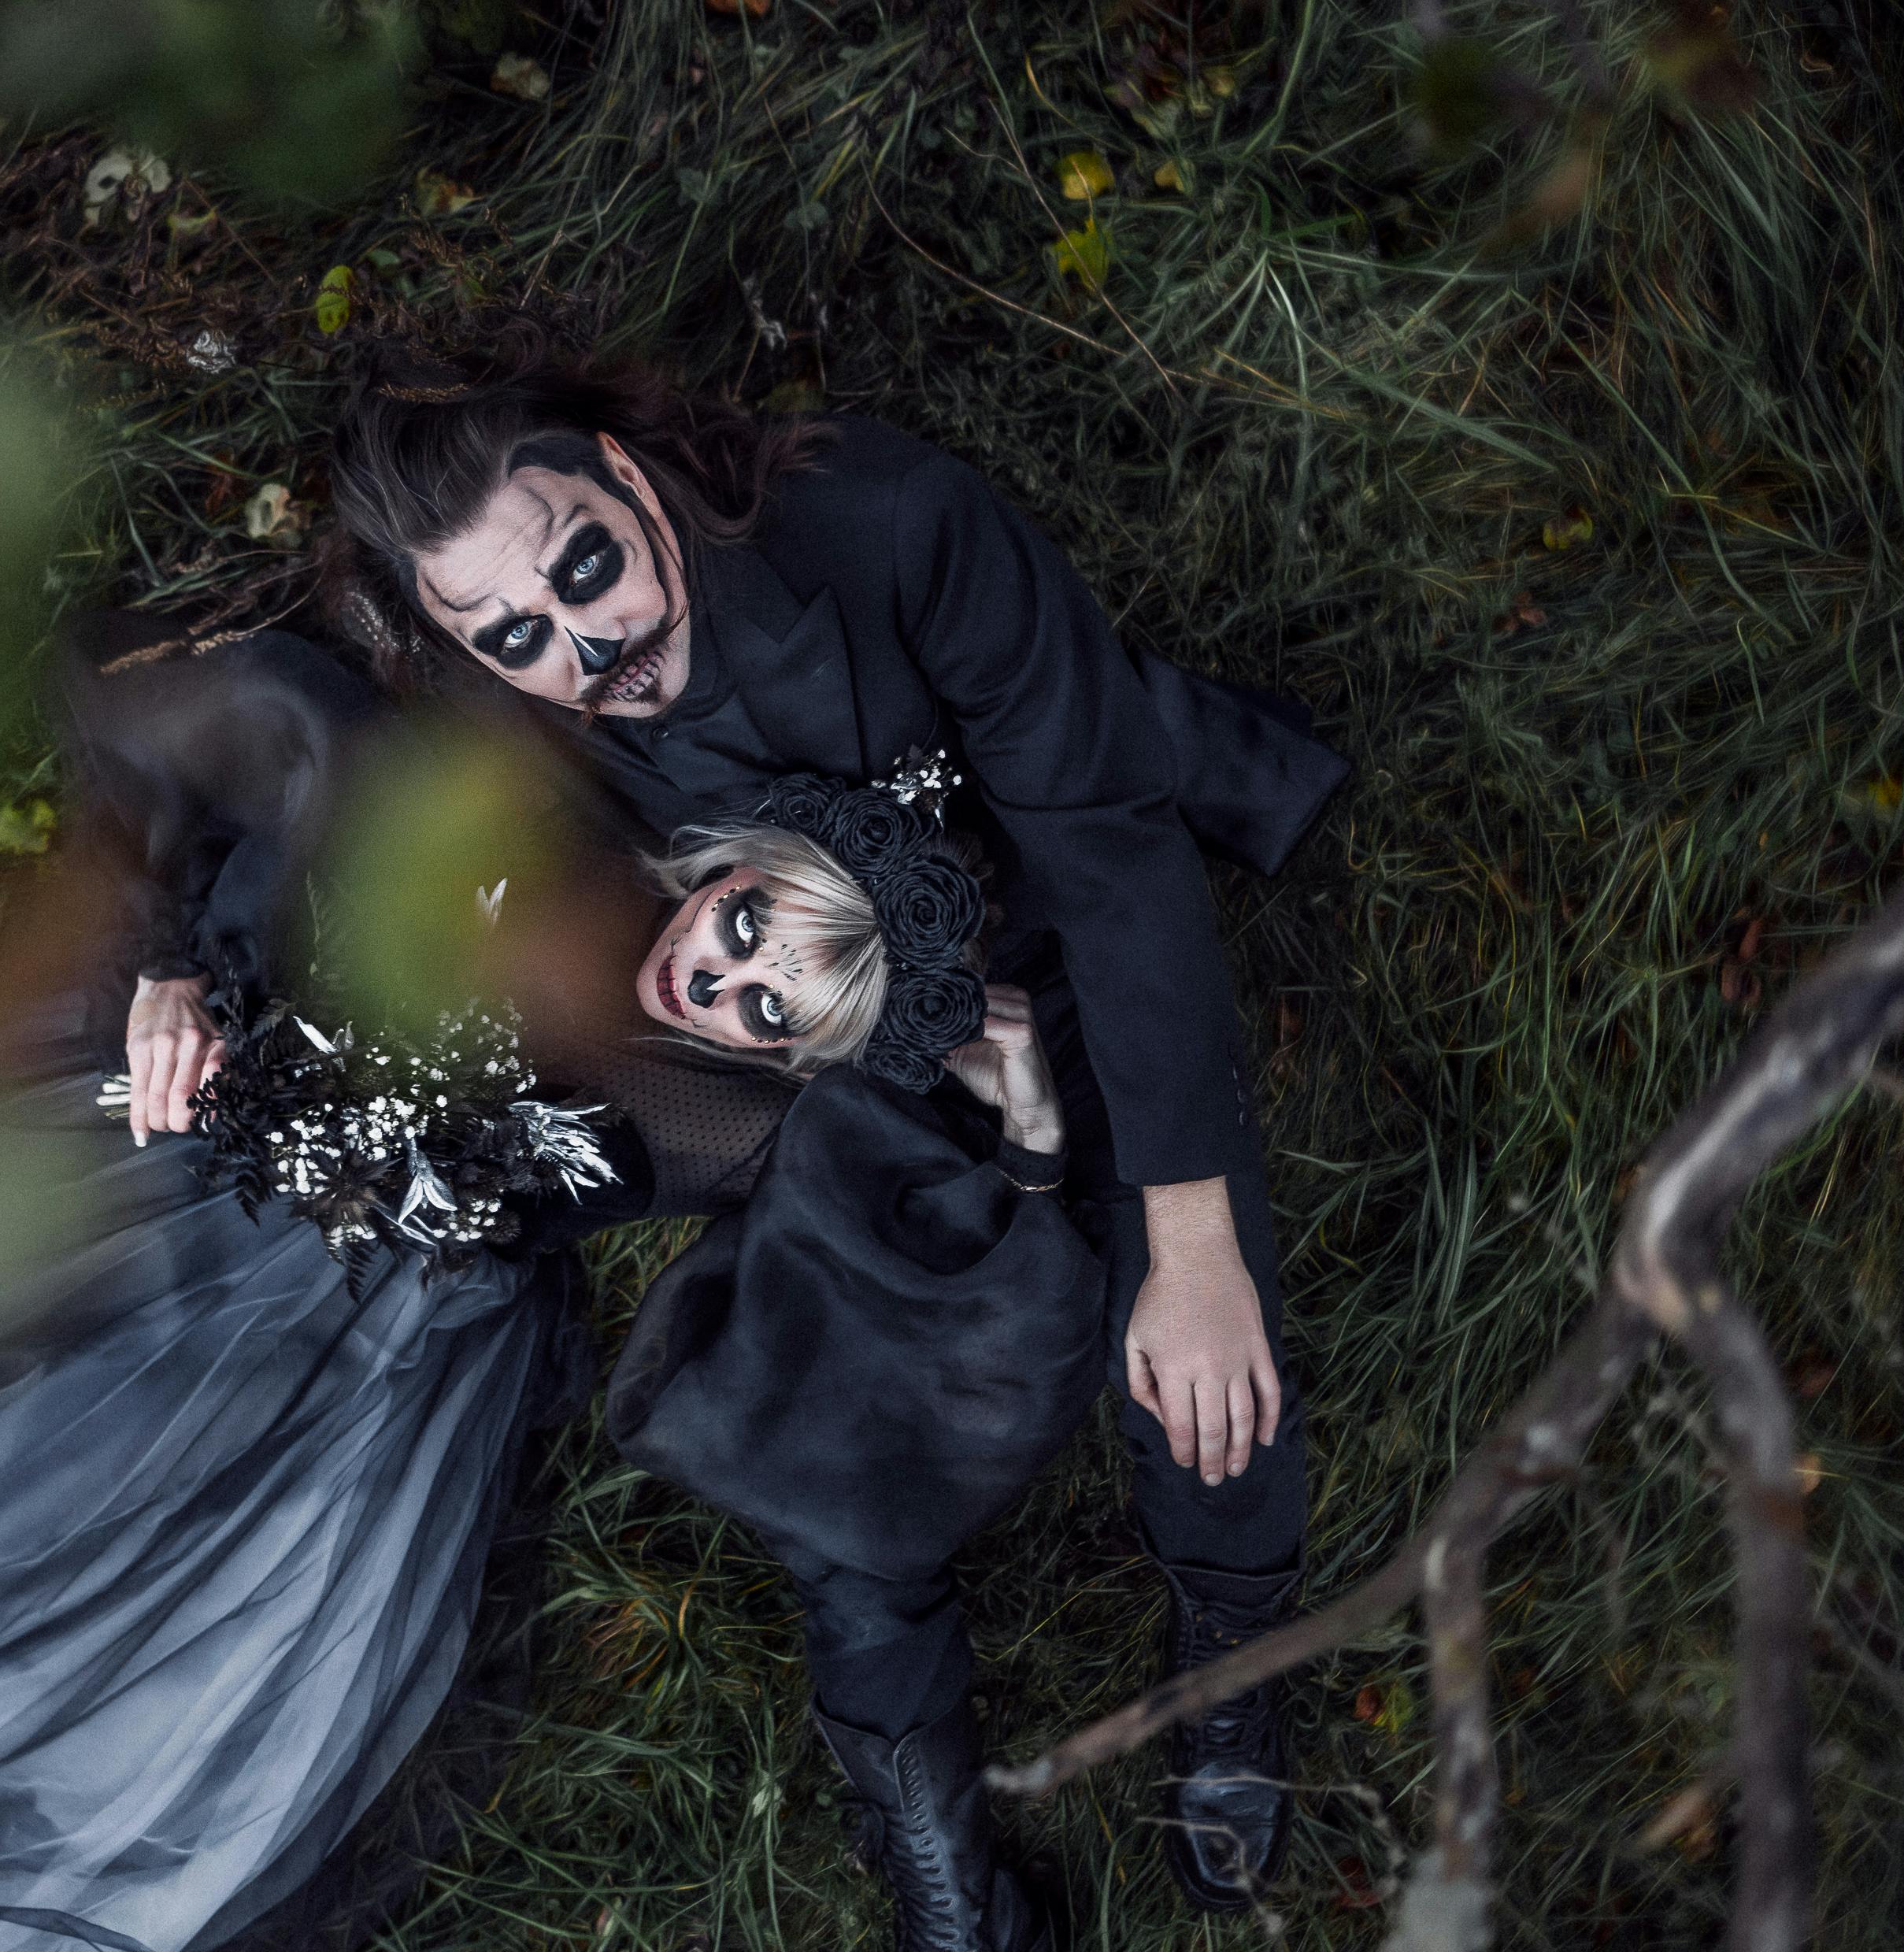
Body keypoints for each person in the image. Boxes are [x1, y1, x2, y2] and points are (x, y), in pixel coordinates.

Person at [0, 630, 1095, 1952]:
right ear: (719, 869)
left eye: (767, 1005)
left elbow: (913, 1284)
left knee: (71, 1627)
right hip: (189, 1176)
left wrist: (1018, 1129)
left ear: (802, 1057)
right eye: (738, 926)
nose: (713, 978)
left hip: (378, 1362)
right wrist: (169, 978)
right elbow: (250, 725)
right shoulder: (536, 853)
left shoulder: (738, 1127)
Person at [302, 334, 1348, 1928]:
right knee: (827, 1366)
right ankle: (930, 1831)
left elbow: (1114, 856)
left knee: (1196, 1325)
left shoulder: (887, 521)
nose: (583, 644)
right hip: (777, 1023)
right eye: (516, 630)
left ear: (631, 477)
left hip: (1026, 932)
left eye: (587, 567)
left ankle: (1233, 1643)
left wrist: (1187, 1229)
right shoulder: (504, 701)